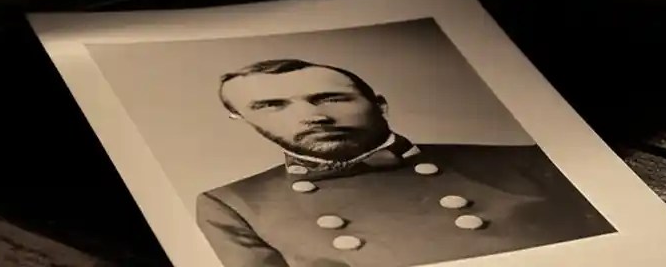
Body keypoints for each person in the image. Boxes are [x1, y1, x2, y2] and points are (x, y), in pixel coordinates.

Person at [195, 58, 614, 267]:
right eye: (271, 105)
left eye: (331, 98)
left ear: (379, 104)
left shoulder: (525, 160)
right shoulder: (232, 203)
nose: (313, 117)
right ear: (244, 118)